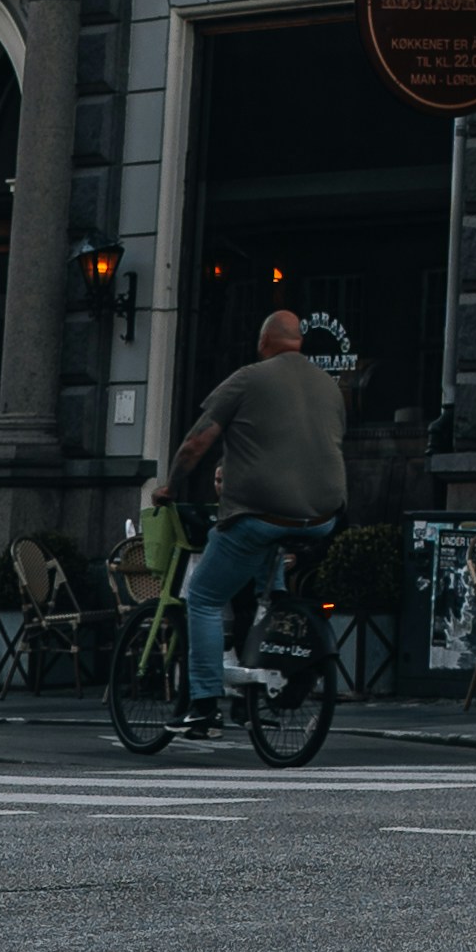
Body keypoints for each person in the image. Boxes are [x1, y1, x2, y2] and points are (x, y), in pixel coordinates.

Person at [159, 304, 346, 737]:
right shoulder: (330, 387)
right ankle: (278, 617)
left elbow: (195, 443)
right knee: (269, 577)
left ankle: (204, 704)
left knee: (204, 596)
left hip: (259, 514)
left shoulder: (247, 377)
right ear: (300, 342)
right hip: (321, 518)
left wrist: (171, 486)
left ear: (263, 343)